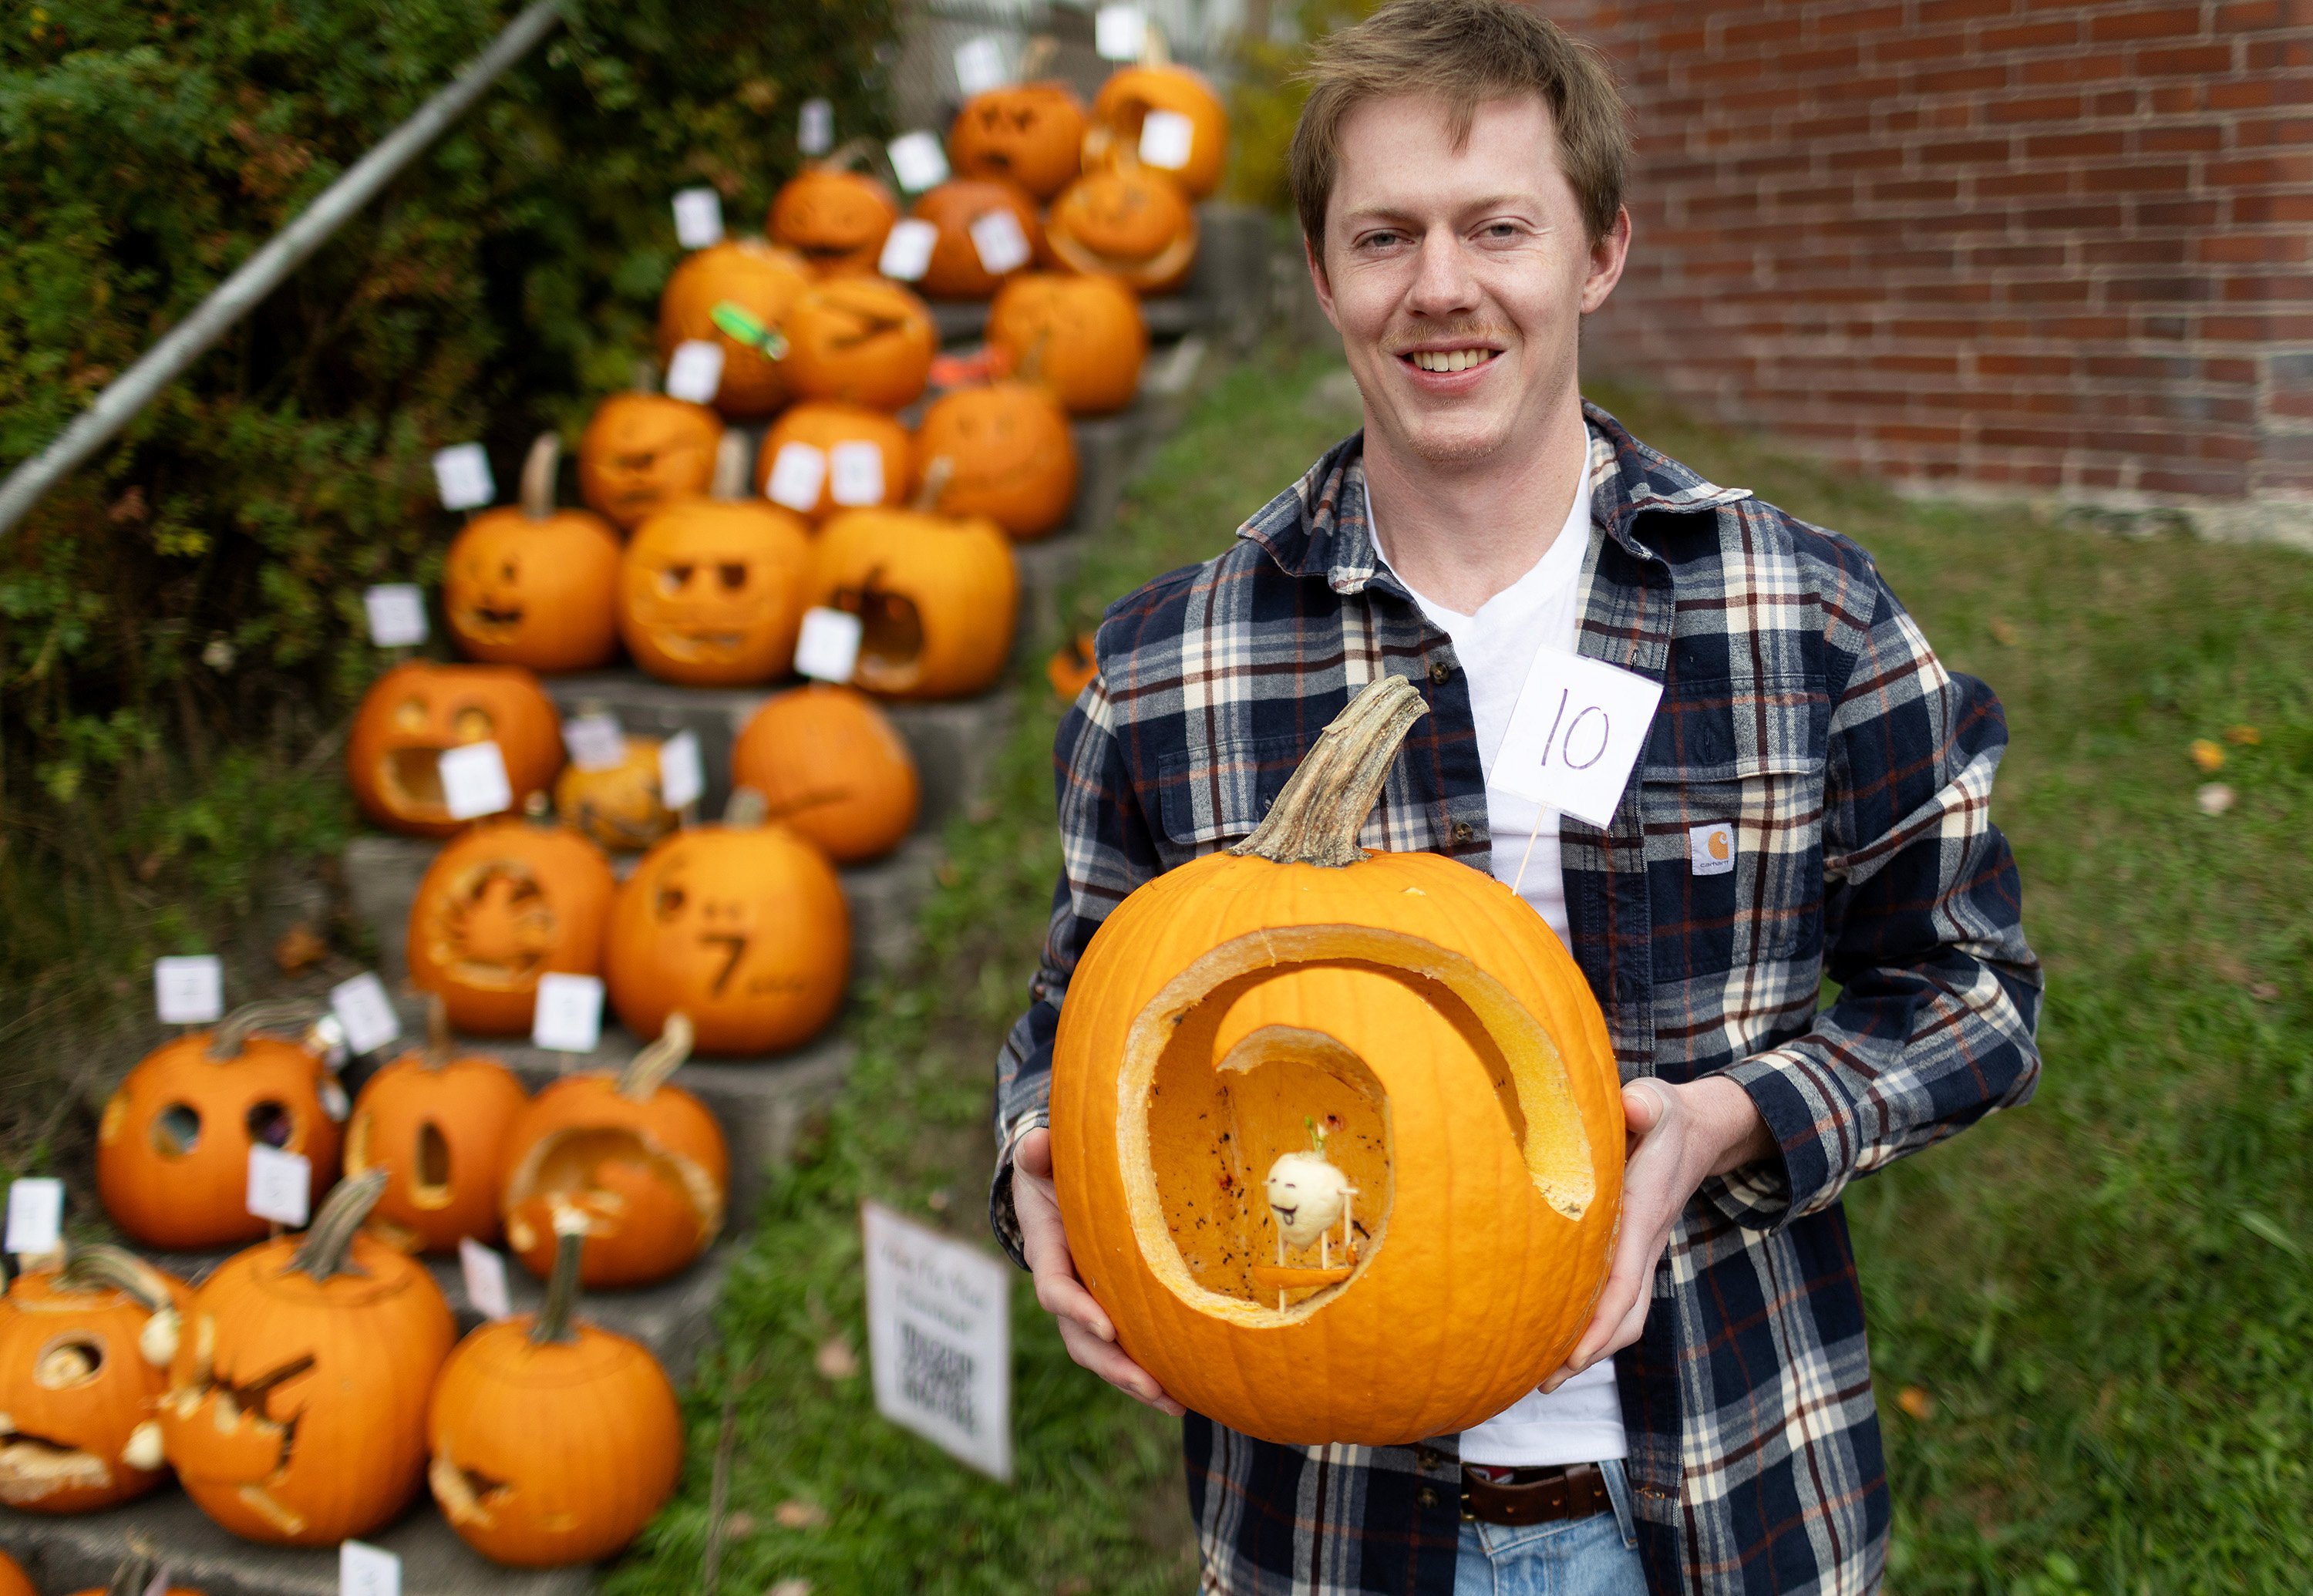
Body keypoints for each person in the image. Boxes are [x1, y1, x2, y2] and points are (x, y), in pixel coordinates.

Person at [988, 1, 2043, 1589]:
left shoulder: (1801, 616)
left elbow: (1973, 992)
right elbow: (1068, 1021)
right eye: (1385, 236)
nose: (1441, 287)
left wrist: (1733, 1121)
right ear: (1324, 272)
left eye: (1498, 227)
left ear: (1599, 252)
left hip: (1724, 1494)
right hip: (1329, 1529)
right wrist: (1035, 1162)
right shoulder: (1166, 670)